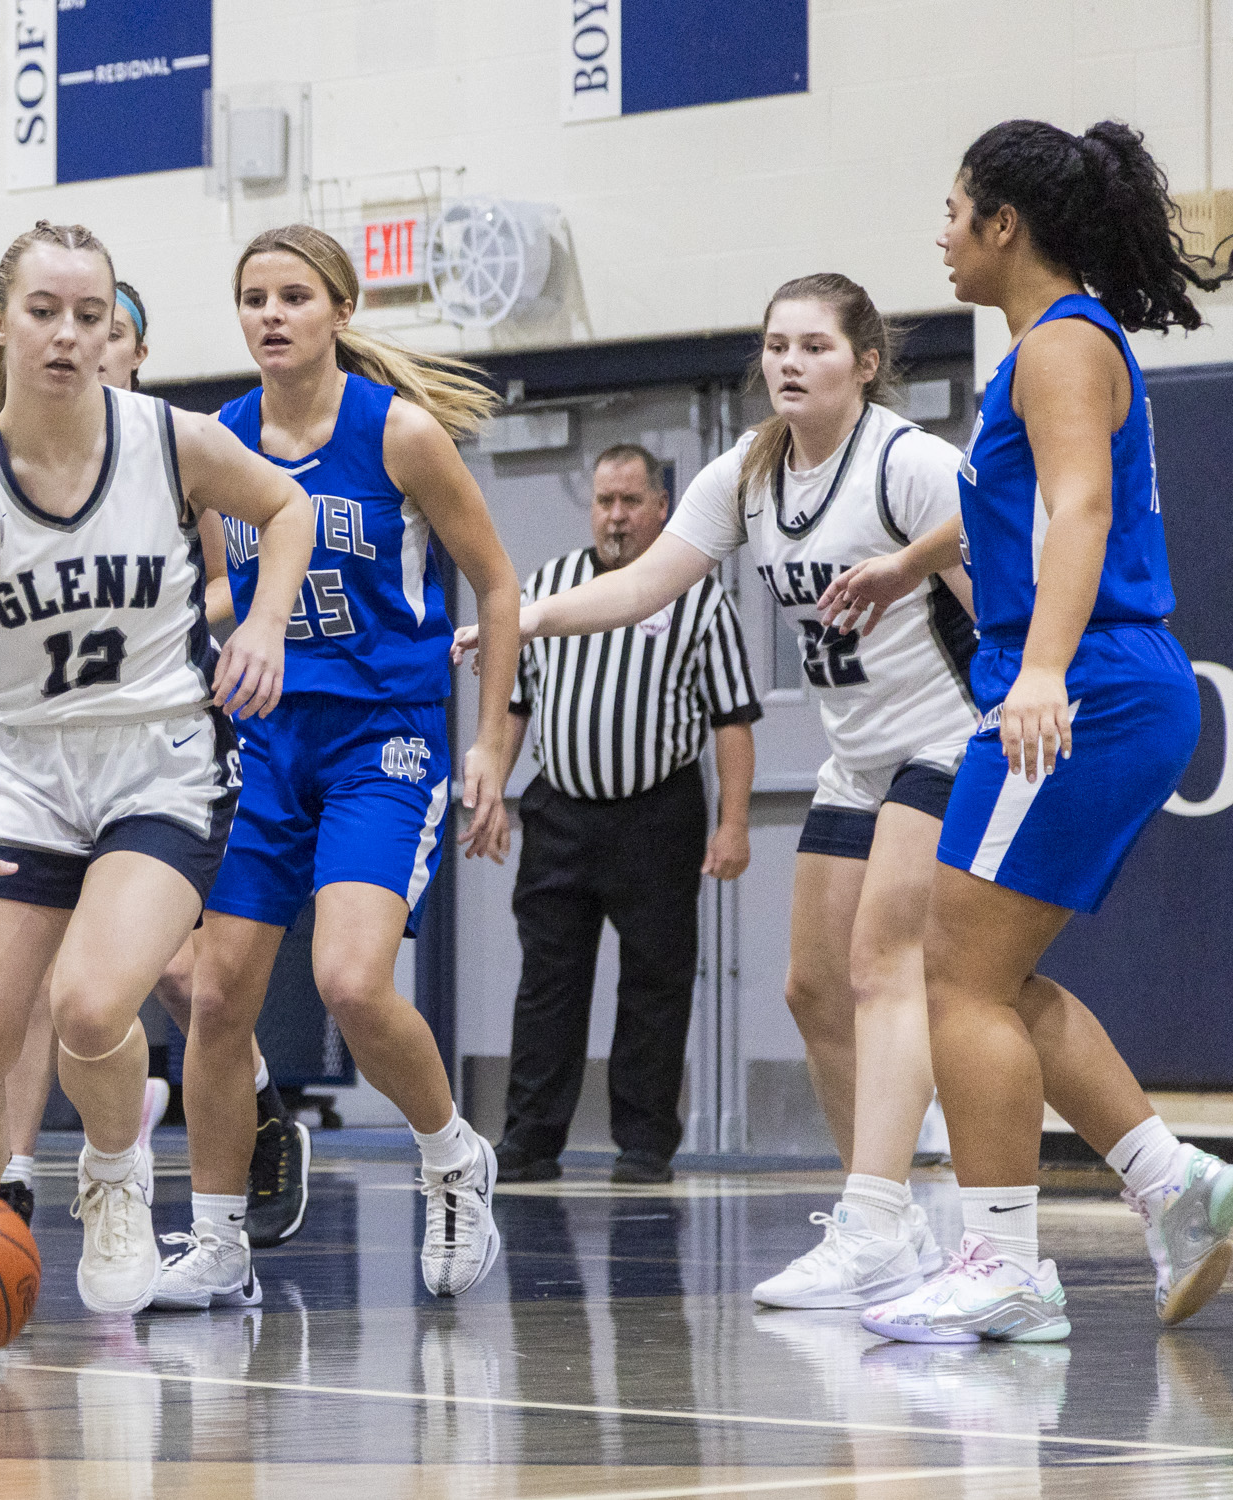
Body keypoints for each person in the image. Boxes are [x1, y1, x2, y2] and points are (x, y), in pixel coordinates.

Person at [458, 273, 981, 1308]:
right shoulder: (747, 472)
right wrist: (522, 619)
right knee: (809, 987)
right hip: (856, 754)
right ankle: (880, 1219)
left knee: (885, 970)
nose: (788, 362)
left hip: (946, 739)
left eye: (814, 347)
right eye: (775, 345)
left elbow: (996, 554)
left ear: (864, 363)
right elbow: (642, 583)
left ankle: (880, 1217)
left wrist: (1022, 687)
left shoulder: (909, 462)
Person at [833, 120, 1233, 1342]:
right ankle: (1184, 1189)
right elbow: (1012, 505)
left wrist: (1042, 668)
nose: (939, 232)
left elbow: (1077, 506)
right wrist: (910, 565)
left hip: (1087, 680)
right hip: (1111, 677)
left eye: (953, 209)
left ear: (1003, 225)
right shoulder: (1047, 348)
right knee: (990, 976)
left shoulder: (1057, 348)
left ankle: (1003, 1262)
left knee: (952, 974)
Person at [0, 221, 314, 1316]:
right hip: (25, 771)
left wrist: (264, 625)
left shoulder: (167, 441)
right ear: (1, 323)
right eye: (44, 311)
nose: (68, 334)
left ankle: (115, 1175)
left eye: (91, 315)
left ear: (113, 331)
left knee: (89, 1006)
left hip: (159, 763)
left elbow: (287, 508)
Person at [153, 224, 523, 1311]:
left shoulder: (397, 434)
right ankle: (218, 1235)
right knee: (217, 999)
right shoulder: (218, 439)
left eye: (293, 297)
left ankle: (452, 1156)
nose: (270, 315)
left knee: (350, 981)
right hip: (265, 739)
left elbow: (495, 588)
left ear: (340, 311)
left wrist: (491, 740)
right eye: (252, 298)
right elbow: (222, 598)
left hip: (383, 737)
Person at [492, 442, 761, 1188]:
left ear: (661, 507)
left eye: (630, 501)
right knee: (548, 980)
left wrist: (733, 824)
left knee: (656, 981)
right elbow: (515, 704)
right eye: (605, 501)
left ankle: (644, 1143)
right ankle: (529, 1139)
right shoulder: (550, 585)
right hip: (560, 813)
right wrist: (490, 791)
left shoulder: (701, 597)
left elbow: (732, 720)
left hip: (657, 814)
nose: (615, 516)